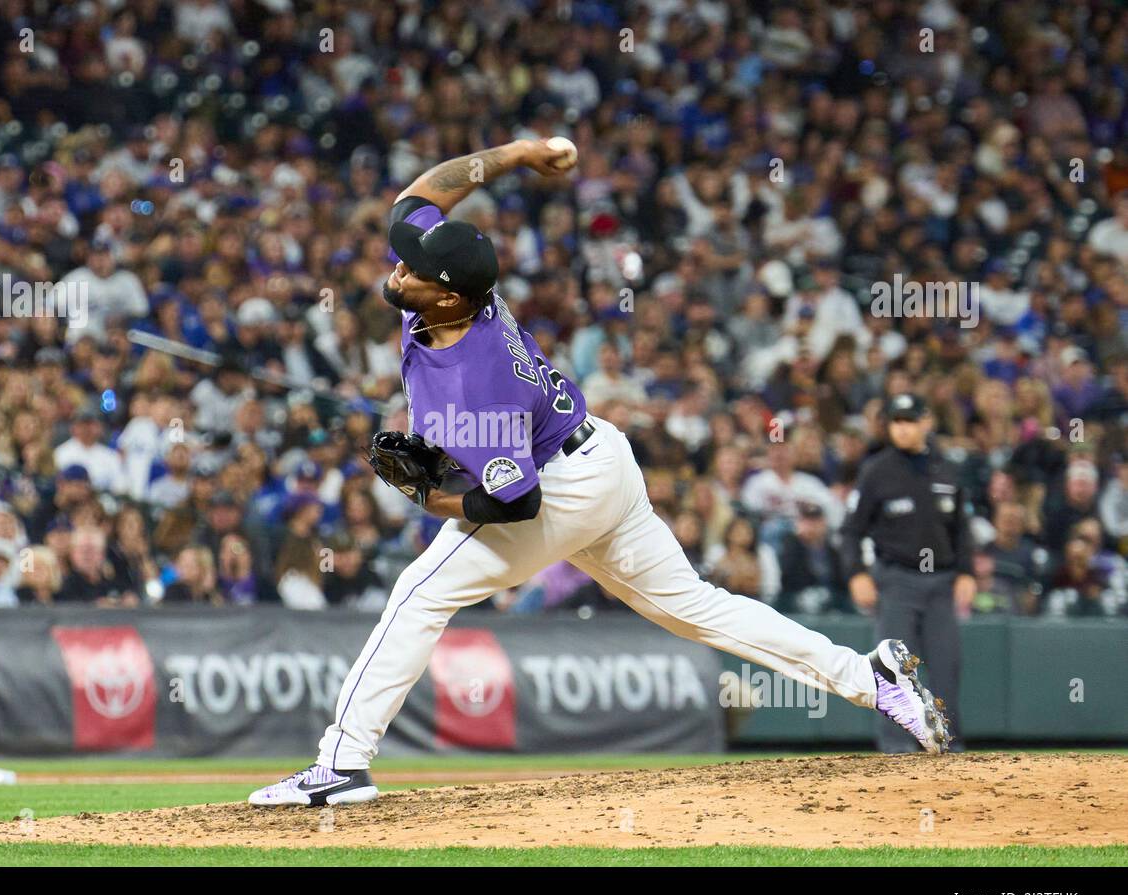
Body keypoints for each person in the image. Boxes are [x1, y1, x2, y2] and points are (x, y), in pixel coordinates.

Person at [249, 142, 951, 808]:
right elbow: (417, 197)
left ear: (452, 297)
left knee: (417, 593)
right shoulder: (444, 299)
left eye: (412, 272)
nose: (396, 271)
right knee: (694, 607)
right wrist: (517, 156)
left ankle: (341, 764)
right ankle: (872, 678)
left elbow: (516, 503)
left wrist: (426, 494)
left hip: (560, 487)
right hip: (598, 457)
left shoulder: (477, 374)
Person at [841, 393, 974, 754]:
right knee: (894, 672)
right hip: (896, 580)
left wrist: (966, 572)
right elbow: (851, 529)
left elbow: (961, 529)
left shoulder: (946, 469)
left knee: (947, 668)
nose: (902, 428)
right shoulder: (877, 471)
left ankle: (948, 749)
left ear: (926, 422)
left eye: (909, 420)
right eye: (896, 421)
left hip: (941, 584)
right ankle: (896, 751)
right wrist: (856, 573)